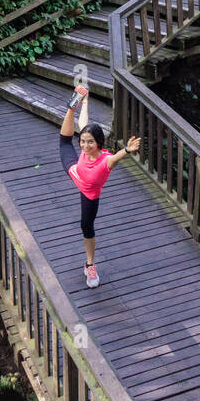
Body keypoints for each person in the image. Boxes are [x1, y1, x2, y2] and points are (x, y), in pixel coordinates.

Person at [59, 84, 140, 288]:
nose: (85, 146)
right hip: (75, 172)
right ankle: (71, 107)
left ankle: (89, 265)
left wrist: (128, 150)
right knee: (65, 141)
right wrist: (84, 102)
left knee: (86, 226)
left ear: (99, 143)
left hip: (90, 193)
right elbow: (84, 124)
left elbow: (118, 157)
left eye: (90, 143)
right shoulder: (84, 150)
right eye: (84, 142)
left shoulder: (106, 161)